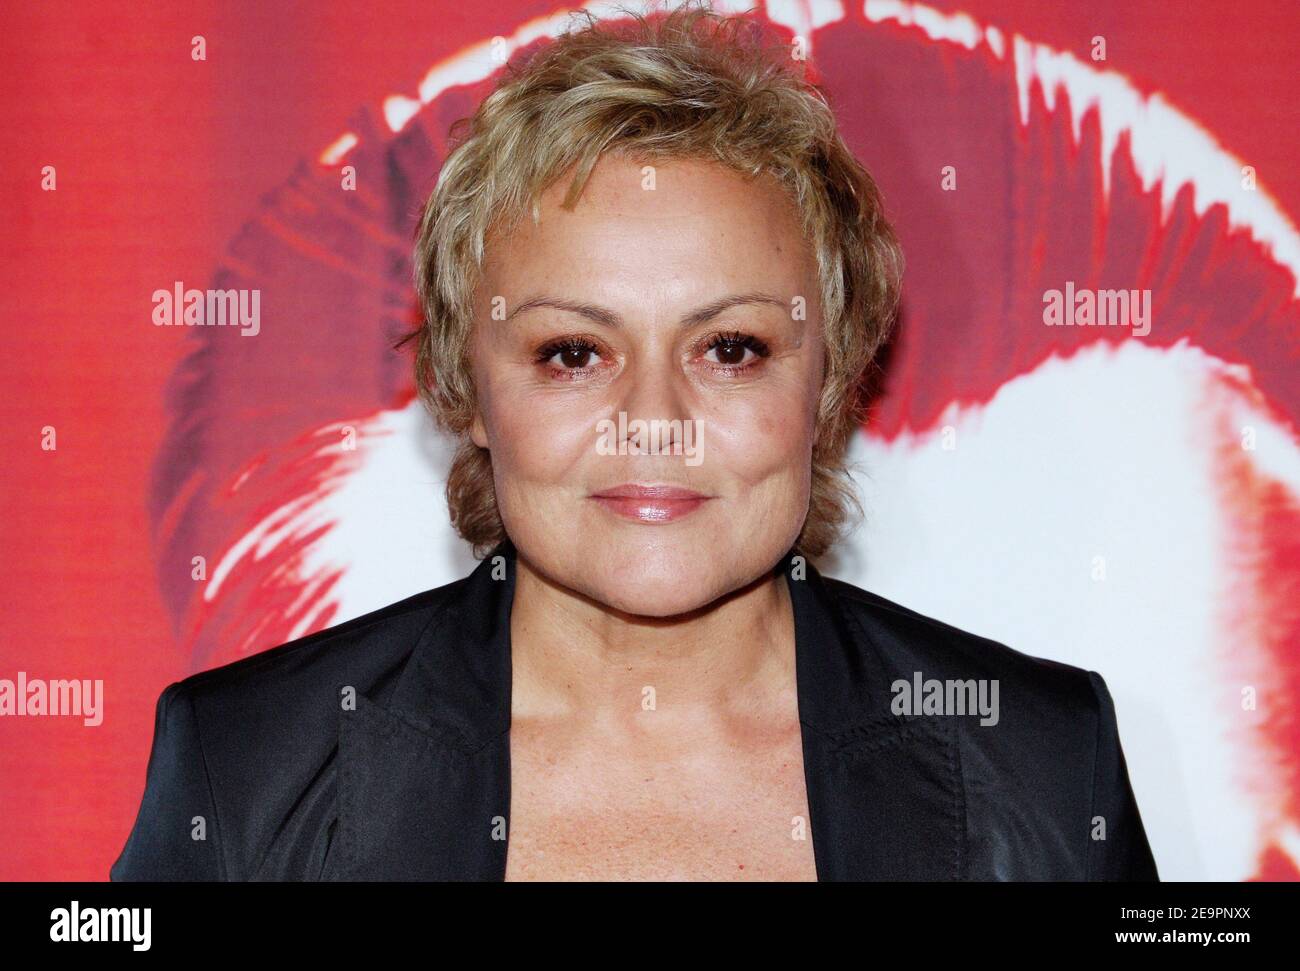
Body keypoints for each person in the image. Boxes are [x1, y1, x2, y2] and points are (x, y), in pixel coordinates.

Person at [111, 0, 1158, 881]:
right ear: (463, 384)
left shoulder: (1040, 757)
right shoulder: (248, 765)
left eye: (732, 347)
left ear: (830, 380)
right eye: (572, 351)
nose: (652, 419)